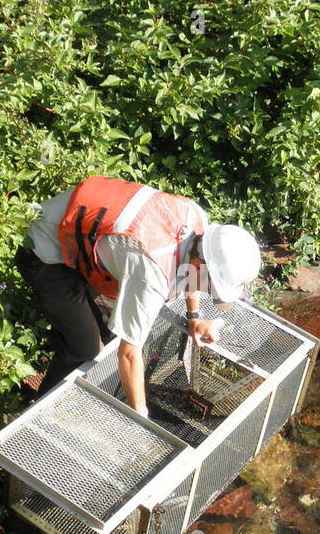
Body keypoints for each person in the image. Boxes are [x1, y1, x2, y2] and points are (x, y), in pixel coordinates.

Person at [15, 176, 262, 417]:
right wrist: (140, 417)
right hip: (45, 250)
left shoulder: (198, 221)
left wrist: (194, 316)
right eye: (212, 285)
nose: (209, 290)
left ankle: (69, 362)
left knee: (111, 330)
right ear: (202, 263)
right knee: (86, 347)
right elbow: (129, 353)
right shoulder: (151, 274)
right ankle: (40, 411)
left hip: (86, 239)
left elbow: (192, 270)